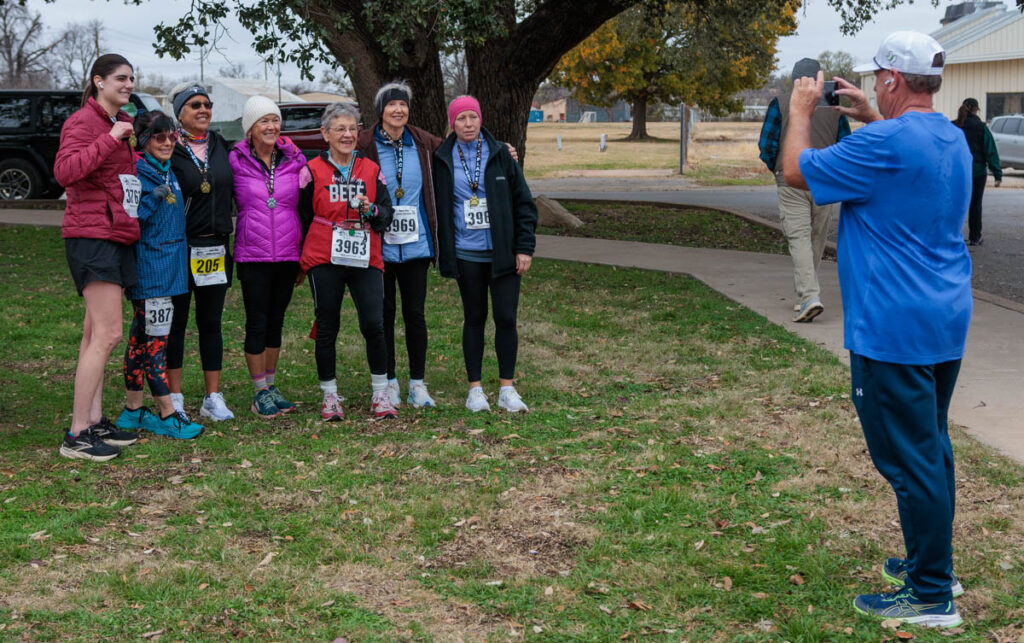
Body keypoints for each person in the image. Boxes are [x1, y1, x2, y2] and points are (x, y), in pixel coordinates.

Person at [782, 31, 971, 628]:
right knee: (931, 448)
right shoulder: (952, 137)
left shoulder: (888, 142)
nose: (871, 86)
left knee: (909, 460)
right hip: (942, 320)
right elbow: (897, 168)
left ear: (891, 79)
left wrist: (800, 112)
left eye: (876, 78)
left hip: (893, 327)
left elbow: (794, 172)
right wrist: (869, 122)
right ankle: (931, 565)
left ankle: (931, 595)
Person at [55, 53, 142, 461]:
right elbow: (66, 171)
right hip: (92, 237)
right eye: (121, 78)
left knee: (94, 334)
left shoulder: (115, 125)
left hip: (115, 233)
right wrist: (110, 140)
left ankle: (91, 420)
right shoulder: (84, 123)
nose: (128, 84)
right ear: (98, 81)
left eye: (131, 78)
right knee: (107, 334)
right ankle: (76, 435)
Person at [434, 96, 538, 413]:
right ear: (452, 123)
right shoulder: (441, 158)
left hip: (503, 254)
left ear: (481, 119)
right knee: (474, 319)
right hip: (467, 254)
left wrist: (524, 248)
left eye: (472, 117)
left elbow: (524, 204)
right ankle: (475, 389)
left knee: (506, 318)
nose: (468, 124)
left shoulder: (502, 154)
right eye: (461, 118)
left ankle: (507, 388)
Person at [298, 102, 395, 420]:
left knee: (374, 323)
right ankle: (329, 396)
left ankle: (381, 394)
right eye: (340, 128)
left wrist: (371, 211)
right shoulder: (311, 170)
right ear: (325, 133)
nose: (347, 134)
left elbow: (386, 214)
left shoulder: (371, 169)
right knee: (327, 324)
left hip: (365, 253)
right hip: (324, 254)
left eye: (353, 128)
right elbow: (303, 215)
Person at [116, 110, 204, 439]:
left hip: (170, 271)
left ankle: (133, 411)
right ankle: (168, 414)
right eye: (159, 137)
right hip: (151, 274)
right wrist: (151, 200)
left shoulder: (166, 171)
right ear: (144, 141)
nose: (168, 142)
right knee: (155, 345)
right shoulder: (139, 173)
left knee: (140, 341)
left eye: (172, 136)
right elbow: (132, 218)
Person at [355, 82, 441, 409]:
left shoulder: (422, 141)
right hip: (381, 244)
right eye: (391, 105)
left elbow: (460, 150)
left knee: (415, 314)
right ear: (381, 111)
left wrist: (500, 148)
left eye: (403, 105)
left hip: (416, 244)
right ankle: (388, 380)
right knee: (383, 314)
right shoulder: (365, 143)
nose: (398, 110)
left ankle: (417, 384)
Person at [230, 96, 306, 418]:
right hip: (253, 254)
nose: (271, 126)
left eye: (275, 120)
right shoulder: (234, 160)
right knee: (257, 322)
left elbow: (307, 203)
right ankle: (259, 390)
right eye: (264, 121)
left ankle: (271, 386)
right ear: (250, 128)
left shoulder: (295, 161)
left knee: (276, 322)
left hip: (288, 253)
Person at [758, 57, 851, 323]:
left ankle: (809, 296)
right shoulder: (834, 107)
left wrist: (777, 167)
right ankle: (807, 296)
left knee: (798, 237)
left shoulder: (780, 102)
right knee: (817, 237)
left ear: (795, 79)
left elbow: (767, 143)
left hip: (789, 177)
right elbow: (845, 143)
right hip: (824, 178)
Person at [167, 84, 236, 421]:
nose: (203, 109)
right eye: (194, 105)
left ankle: (212, 396)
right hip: (182, 247)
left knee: (211, 323)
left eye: (207, 104)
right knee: (177, 324)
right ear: (180, 112)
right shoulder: (169, 148)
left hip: (216, 247)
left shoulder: (221, 145)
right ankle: (175, 397)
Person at [952, 97, 1002, 246]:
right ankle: (975, 237)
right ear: (977, 110)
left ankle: (952, 236)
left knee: (955, 203)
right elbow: (990, 151)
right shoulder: (981, 127)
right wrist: (997, 174)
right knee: (975, 204)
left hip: (957, 172)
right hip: (977, 172)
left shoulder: (953, 126)